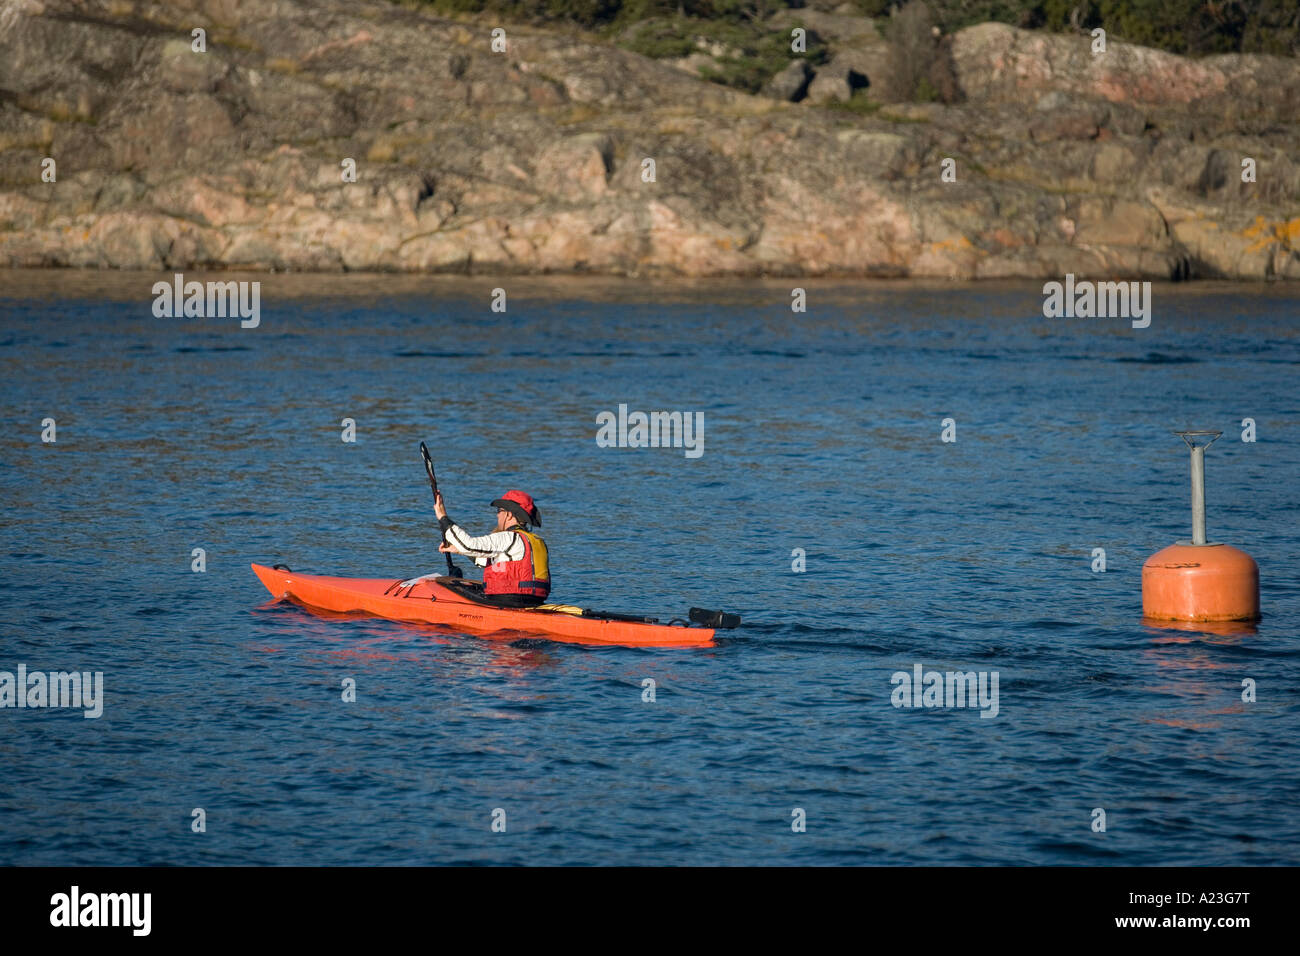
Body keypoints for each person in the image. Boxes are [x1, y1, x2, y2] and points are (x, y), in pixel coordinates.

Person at [431, 489, 550, 608]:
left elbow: (468, 544)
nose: (497, 515)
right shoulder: (536, 541)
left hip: (509, 601)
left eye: (499, 511)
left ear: (508, 515)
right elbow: (487, 561)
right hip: (535, 601)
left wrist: (443, 517)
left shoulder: (509, 537)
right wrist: (458, 549)